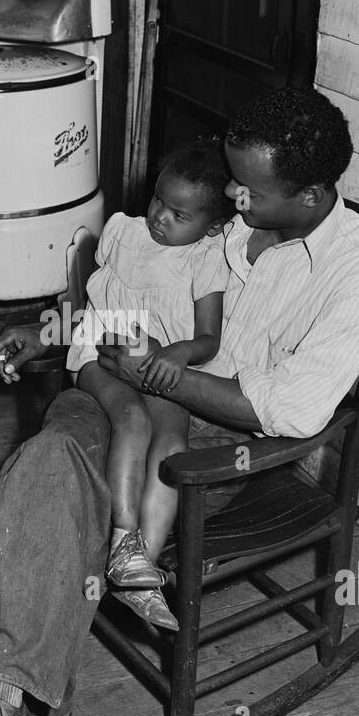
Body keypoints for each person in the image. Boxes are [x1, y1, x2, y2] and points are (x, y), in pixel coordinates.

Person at [0, 87, 359, 716]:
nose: (232, 196)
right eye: (231, 181)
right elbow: (118, 288)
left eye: (248, 189)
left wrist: (161, 377)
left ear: (310, 193)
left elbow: (295, 412)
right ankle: (7, 699)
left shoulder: (357, 275)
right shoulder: (211, 215)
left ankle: (17, 692)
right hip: (126, 383)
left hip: (225, 440)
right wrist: (51, 332)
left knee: (65, 488)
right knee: (47, 458)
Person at [68, 144, 233, 632]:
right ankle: (123, 539)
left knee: (173, 443)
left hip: (160, 367)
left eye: (178, 214)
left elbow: (208, 339)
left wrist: (179, 353)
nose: (160, 216)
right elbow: (94, 300)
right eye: (159, 200)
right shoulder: (123, 231)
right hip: (101, 350)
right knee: (133, 422)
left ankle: (142, 564)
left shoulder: (206, 261)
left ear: (212, 226)